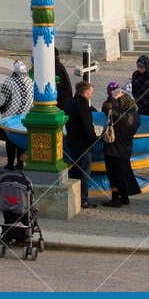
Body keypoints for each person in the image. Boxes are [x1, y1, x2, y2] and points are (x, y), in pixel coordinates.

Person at [102, 83, 142, 207]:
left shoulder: (120, 117)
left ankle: (116, 199)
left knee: (114, 175)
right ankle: (124, 197)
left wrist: (113, 98)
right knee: (124, 172)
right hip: (126, 147)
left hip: (114, 149)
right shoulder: (136, 116)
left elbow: (106, 108)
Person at [64, 79, 98, 207]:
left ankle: (74, 195)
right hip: (83, 144)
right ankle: (83, 199)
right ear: (84, 92)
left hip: (72, 141)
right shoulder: (83, 105)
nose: (91, 95)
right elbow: (87, 126)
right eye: (90, 92)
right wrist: (93, 138)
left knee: (75, 170)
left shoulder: (70, 103)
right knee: (84, 172)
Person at [0, 61, 31, 169]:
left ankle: (10, 163)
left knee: (10, 141)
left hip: (11, 117)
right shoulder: (30, 81)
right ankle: (20, 163)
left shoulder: (9, 81)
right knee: (20, 139)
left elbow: (2, 100)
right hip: (25, 116)